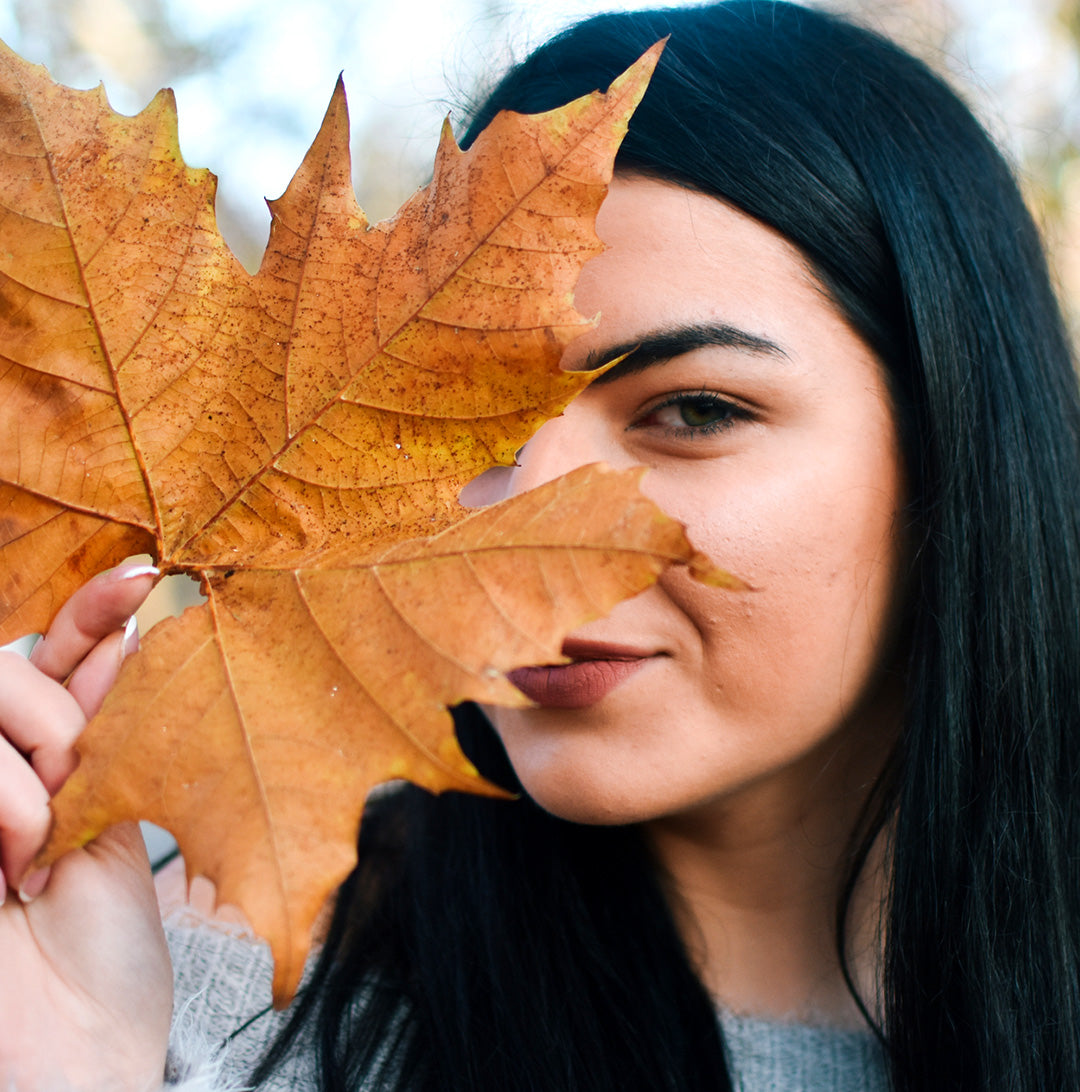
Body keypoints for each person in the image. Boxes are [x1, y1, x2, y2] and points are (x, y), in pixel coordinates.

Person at [2, 1, 1079, 1089]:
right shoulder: (159, 985)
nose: (517, 517)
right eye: (468, 425)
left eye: (697, 411)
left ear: (959, 441)